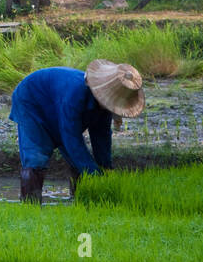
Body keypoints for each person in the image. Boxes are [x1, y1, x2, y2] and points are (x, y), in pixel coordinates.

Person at [8, 60, 144, 204]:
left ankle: (80, 200)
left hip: (57, 103)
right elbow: (70, 136)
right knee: (36, 156)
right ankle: (30, 205)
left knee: (79, 160)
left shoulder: (104, 107)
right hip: (32, 100)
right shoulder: (75, 93)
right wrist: (94, 173)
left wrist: (105, 169)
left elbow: (101, 138)